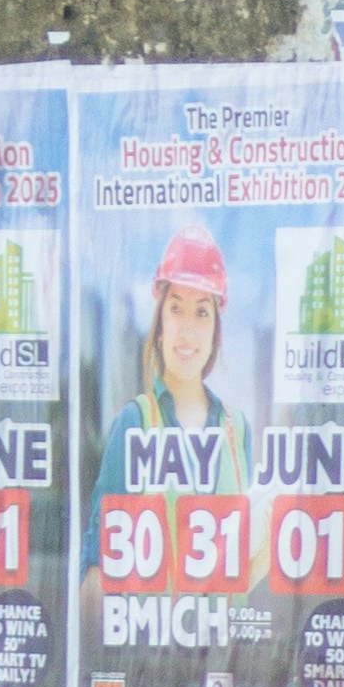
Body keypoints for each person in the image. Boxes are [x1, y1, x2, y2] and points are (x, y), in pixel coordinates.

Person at [88, 223, 253, 533]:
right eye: (176, 308)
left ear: (216, 329)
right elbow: (99, 554)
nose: (188, 329)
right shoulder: (133, 423)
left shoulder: (237, 430)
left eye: (202, 312)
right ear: (160, 323)